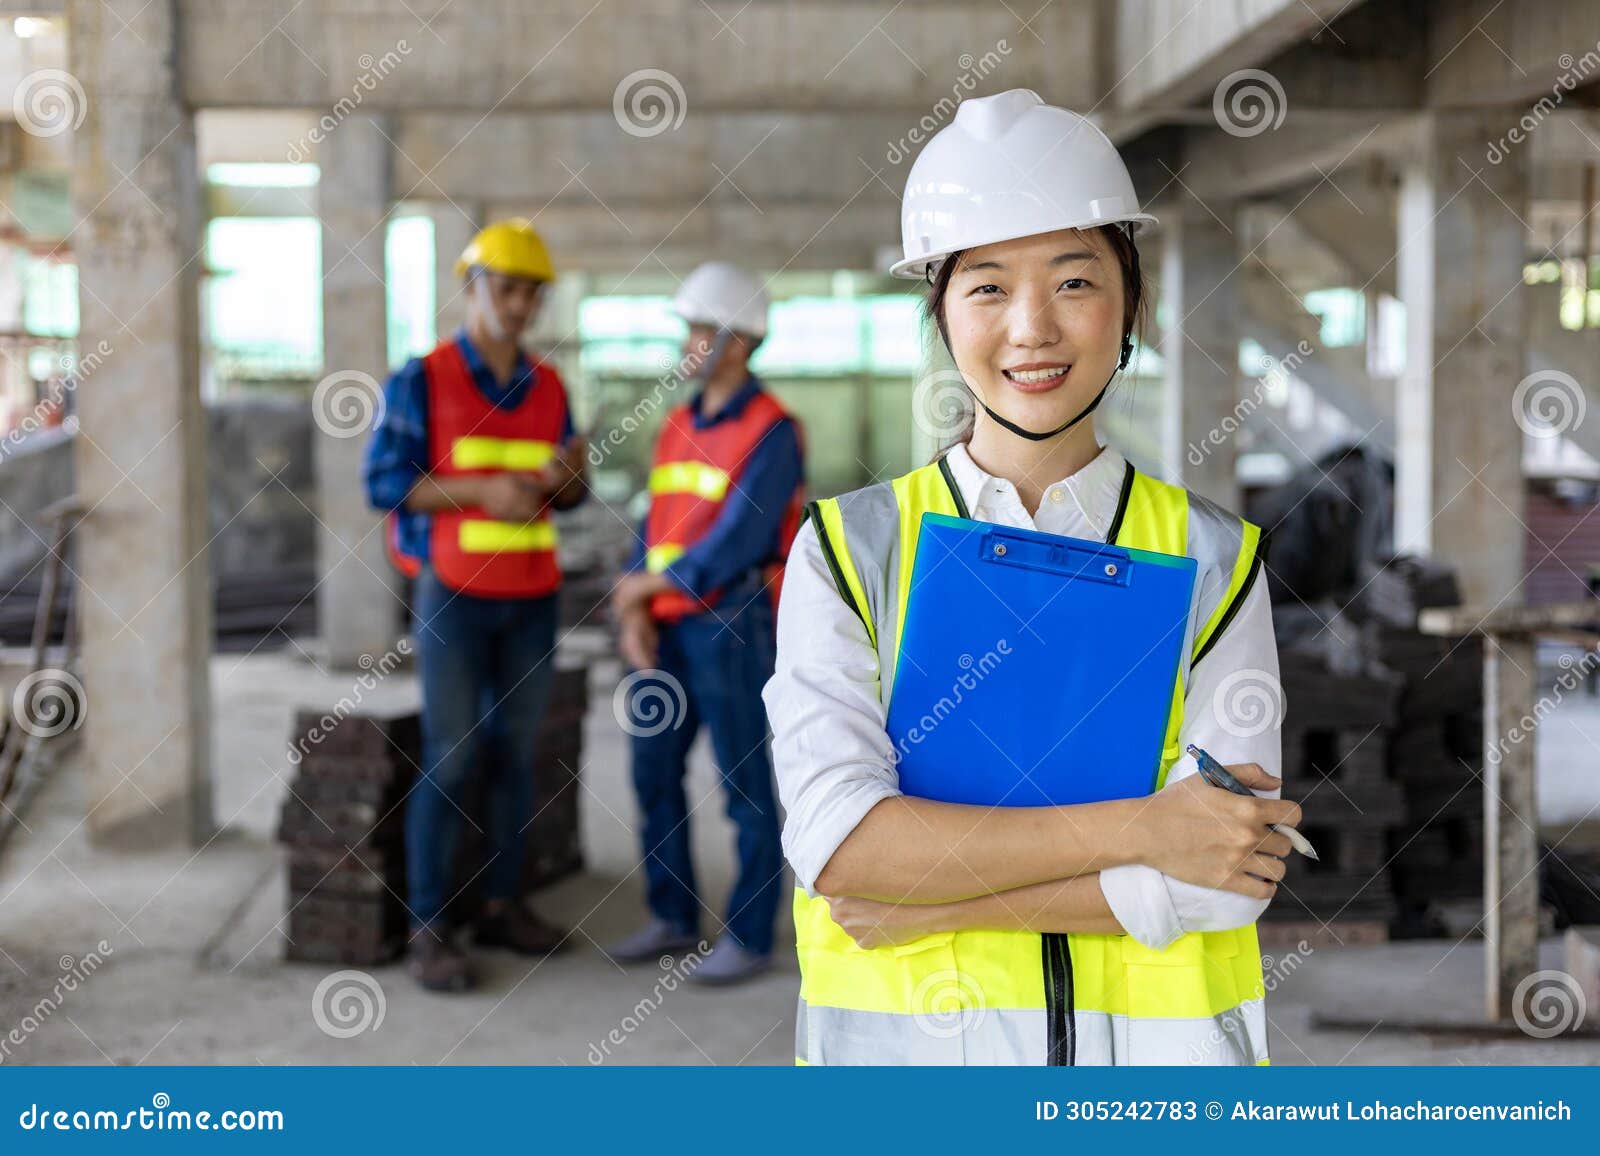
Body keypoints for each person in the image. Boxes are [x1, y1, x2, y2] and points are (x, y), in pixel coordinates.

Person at [763, 89, 1302, 1064]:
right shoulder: (849, 552)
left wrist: (934, 888)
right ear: (940, 311)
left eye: (1072, 281)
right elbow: (843, 849)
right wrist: (1146, 829)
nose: (1031, 328)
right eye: (986, 287)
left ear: (1129, 298)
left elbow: (1227, 871)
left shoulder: (1214, 560)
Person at [363, 218, 588, 993]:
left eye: (532, 292)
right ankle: (431, 925)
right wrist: (477, 492)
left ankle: (500, 903)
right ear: (471, 288)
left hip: (532, 597)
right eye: (506, 287)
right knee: (452, 756)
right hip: (454, 598)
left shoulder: (549, 386)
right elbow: (382, 483)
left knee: (514, 757)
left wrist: (569, 480)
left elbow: (571, 493)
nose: (520, 304)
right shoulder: (420, 380)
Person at [605, 262, 805, 985]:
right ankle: (671, 916)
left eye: (700, 328)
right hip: (666, 627)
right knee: (652, 772)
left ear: (740, 341)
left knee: (744, 785)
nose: (689, 342)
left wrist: (650, 587)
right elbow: (652, 521)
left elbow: (740, 541)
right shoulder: (677, 423)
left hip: (732, 626)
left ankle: (750, 936)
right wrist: (634, 601)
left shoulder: (773, 432)